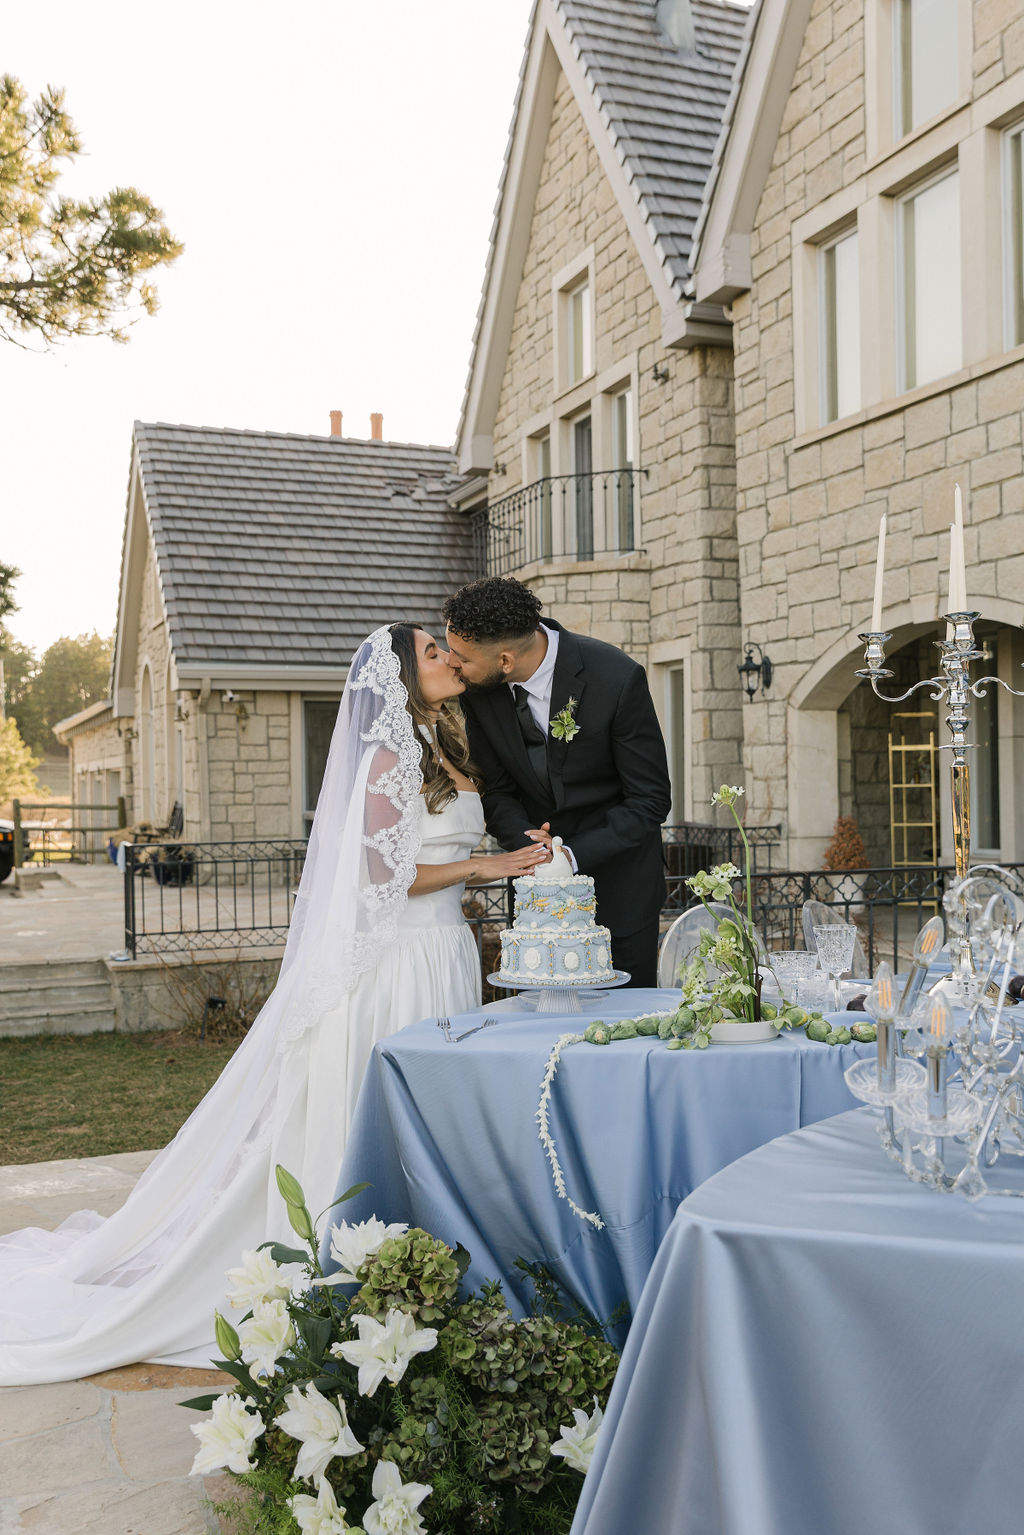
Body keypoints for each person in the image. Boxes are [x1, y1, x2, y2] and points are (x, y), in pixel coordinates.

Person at [0, 623, 544, 1386]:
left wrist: (518, 852)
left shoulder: (441, 746)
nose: (449, 657)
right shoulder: (387, 753)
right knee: (374, 1116)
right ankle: (354, 1259)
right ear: (397, 677)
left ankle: (420, 1260)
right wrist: (490, 862)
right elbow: (379, 874)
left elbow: (450, 853)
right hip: (398, 964)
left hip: (444, 950)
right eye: (430, 651)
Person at [444, 578, 672, 988]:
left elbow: (650, 799)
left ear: (507, 660)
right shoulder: (479, 691)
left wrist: (568, 855)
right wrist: (534, 850)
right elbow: (496, 788)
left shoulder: (616, 678)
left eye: (461, 657)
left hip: (620, 889)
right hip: (536, 903)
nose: (451, 663)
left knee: (622, 1029)